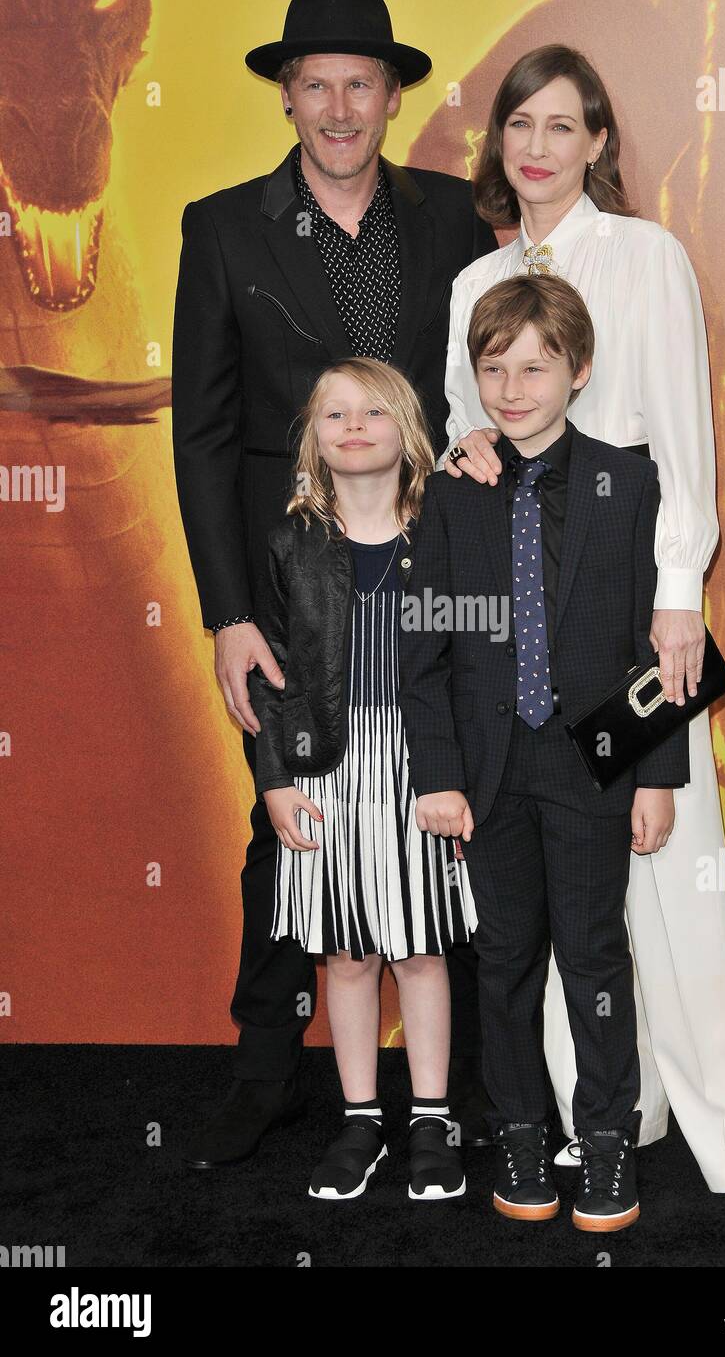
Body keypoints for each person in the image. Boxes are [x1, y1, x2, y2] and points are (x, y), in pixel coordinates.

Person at [440, 45, 725, 1211]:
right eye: (518, 126)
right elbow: (462, 436)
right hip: (522, 635)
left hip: (638, 623)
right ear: (497, 146)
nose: (536, 147)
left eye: (561, 126)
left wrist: (680, 592)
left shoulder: (648, 257)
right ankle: (605, 1120)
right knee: (555, 905)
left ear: (599, 142)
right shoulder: (473, 282)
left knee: (672, 870)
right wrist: (467, 444)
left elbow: (681, 435)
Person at [172, 0, 497, 1169]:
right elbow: (203, 434)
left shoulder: (458, 217)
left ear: (394, 95)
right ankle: (267, 1072)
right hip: (287, 594)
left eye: (362, 82)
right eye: (316, 83)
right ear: (287, 95)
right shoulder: (223, 227)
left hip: (430, 580)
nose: (340, 106)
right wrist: (226, 614)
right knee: (291, 827)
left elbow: (489, 382)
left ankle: (452, 1096)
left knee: (443, 809)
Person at [399, 272, 691, 1229]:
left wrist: (656, 776)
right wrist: (436, 774)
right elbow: (424, 648)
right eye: (494, 368)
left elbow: (654, 646)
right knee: (506, 957)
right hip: (488, 773)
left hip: (592, 763)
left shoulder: (629, 482)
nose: (513, 387)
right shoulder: (454, 493)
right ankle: (520, 1133)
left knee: (596, 956)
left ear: (579, 370)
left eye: (535, 366)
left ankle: (606, 1143)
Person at [248, 357, 474, 1201]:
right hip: (325, 775)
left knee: (417, 949)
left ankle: (430, 1118)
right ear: (313, 438)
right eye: (334, 414)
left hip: (423, 771)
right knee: (345, 954)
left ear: (408, 433)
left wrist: (458, 775)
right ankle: (358, 1120)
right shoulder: (288, 546)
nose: (352, 426)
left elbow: (471, 658)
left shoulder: (443, 537)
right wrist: (274, 779)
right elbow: (269, 678)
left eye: (373, 412)